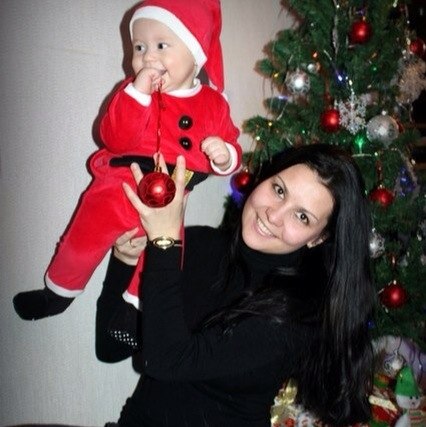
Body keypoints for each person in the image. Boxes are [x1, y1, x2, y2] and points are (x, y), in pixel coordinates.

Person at [96, 144, 376, 426]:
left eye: (302, 216)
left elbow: (164, 361)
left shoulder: (297, 316)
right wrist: (124, 260)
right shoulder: (198, 244)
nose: (274, 215)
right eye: (279, 190)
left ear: (318, 238)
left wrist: (164, 242)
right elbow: (110, 347)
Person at [13, 0, 241, 326]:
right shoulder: (132, 91)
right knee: (82, 239)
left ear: (196, 54)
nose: (148, 57)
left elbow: (232, 143)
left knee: (162, 258)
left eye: (161, 45)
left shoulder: (213, 103)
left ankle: (134, 314)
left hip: (170, 200)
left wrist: (225, 155)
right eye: (139, 47)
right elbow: (113, 137)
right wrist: (138, 95)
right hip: (118, 186)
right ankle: (58, 292)